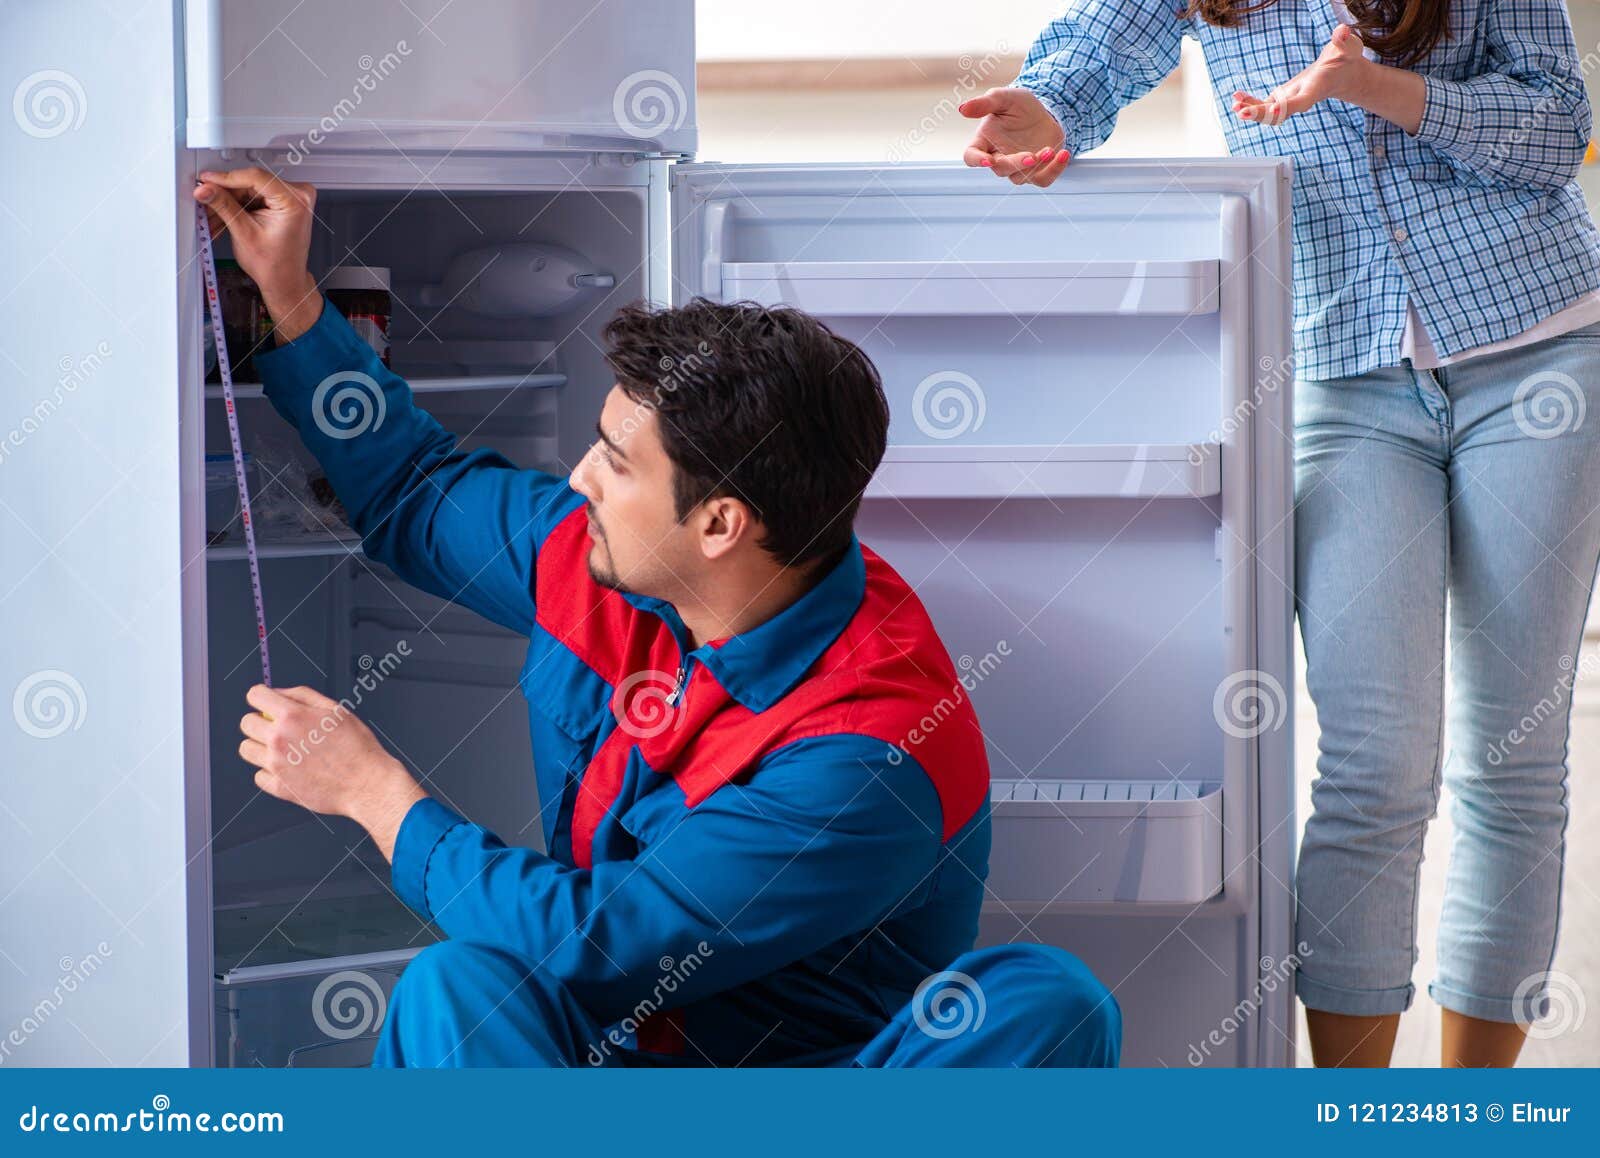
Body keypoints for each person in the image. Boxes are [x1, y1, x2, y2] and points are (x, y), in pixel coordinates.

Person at [191, 168, 1122, 1069]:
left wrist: (374, 794)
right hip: (618, 1071)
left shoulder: (865, 751)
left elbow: (603, 940)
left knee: (1044, 998)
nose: (578, 479)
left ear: (720, 523)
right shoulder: (618, 562)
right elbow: (416, 491)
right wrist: (292, 301)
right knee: (457, 987)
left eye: (614, 461)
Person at [964, 0, 1600, 1067]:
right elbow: (1103, 46)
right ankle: (1356, 1114)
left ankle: (1472, 1117)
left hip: (1535, 351)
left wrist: (1373, 89)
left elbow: (1552, 134)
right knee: (1371, 766)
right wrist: (1043, 106)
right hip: (1335, 375)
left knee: (1512, 760)